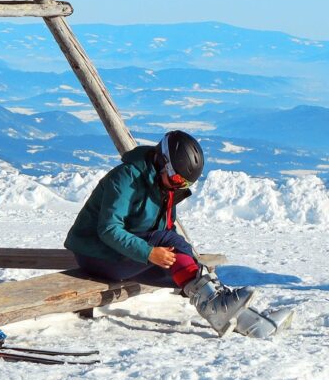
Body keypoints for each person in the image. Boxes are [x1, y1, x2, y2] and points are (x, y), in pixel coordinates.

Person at [64, 130, 259, 336]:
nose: (178, 186)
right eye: (176, 179)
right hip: (96, 254)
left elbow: (166, 228)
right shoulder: (126, 178)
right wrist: (149, 252)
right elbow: (109, 229)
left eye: (185, 184)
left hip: (127, 253)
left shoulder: (164, 187)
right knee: (169, 244)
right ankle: (215, 306)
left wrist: (179, 258)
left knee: (187, 270)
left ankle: (239, 316)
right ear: (161, 161)